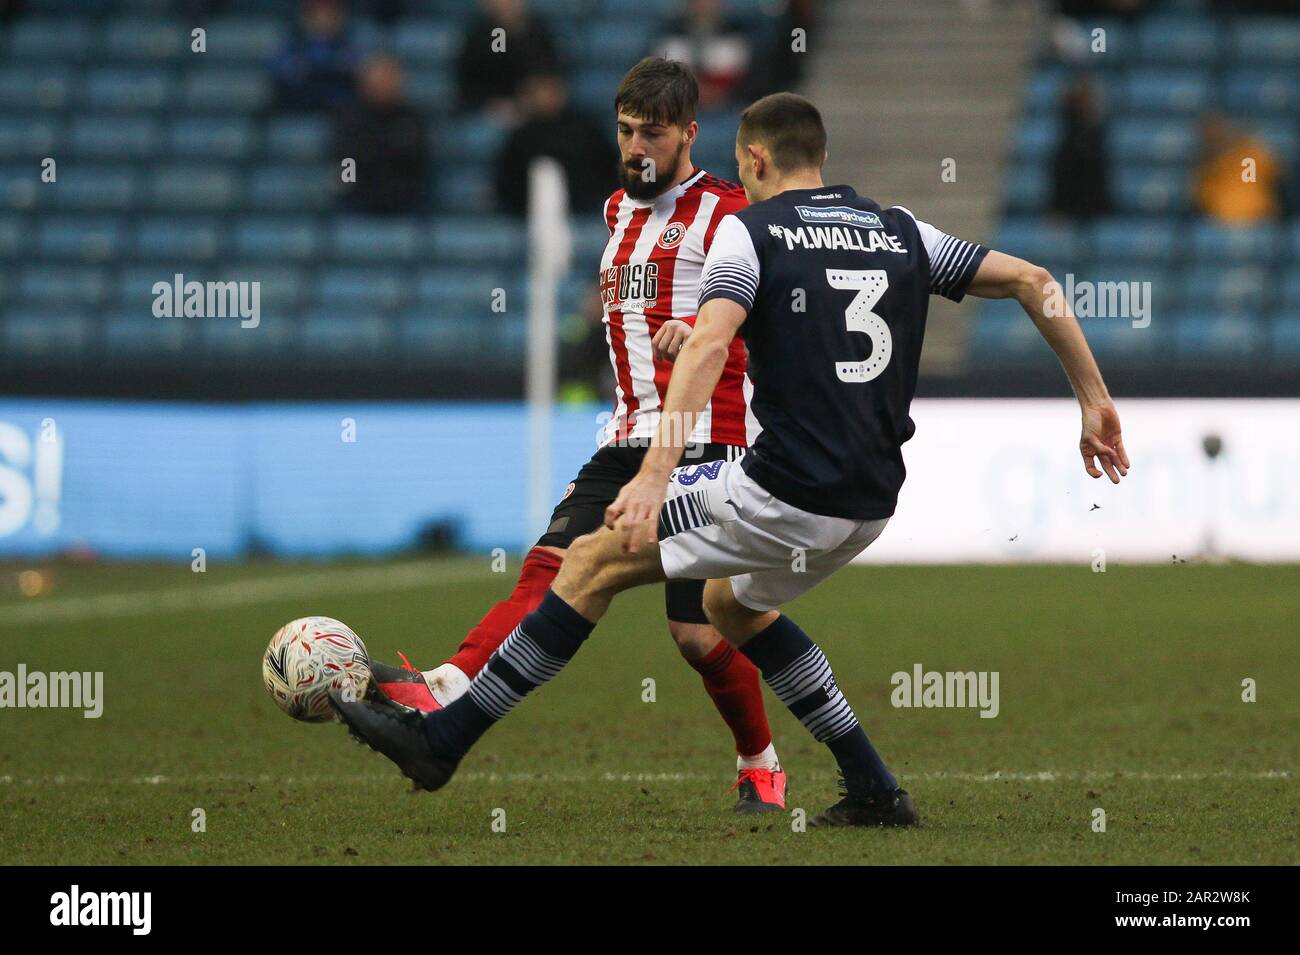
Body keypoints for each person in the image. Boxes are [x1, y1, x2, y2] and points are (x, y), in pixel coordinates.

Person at [338, 92, 1129, 826]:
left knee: (589, 563)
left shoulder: (749, 232)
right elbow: (1033, 279)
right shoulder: (900, 229)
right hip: (870, 502)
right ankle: (874, 787)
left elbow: (714, 341)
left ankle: (443, 744)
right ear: (818, 154)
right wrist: (1093, 401)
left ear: (752, 160)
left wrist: (655, 475)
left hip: (781, 489)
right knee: (728, 607)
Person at [365, 58, 788, 813]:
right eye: (626, 131)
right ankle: (444, 685)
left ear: (689, 133)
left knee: (696, 635)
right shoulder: (615, 213)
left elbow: (773, 307)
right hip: (626, 440)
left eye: (652, 135)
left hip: (707, 443)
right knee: (547, 570)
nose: (636, 148)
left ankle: (760, 759)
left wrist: (699, 329)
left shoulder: (729, 212)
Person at [492, 72, 618, 217]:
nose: (546, 96)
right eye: (540, 90)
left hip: (586, 210)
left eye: (551, 89)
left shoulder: (586, 129)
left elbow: (609, 169)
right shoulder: (522, 136)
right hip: (529, 216)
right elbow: (506, 183)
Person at [335, 56, 430, 215]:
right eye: (378, 79)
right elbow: (345, 159)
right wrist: (350, 190)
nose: (384, 84)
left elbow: (419, 159)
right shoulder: (350, 121)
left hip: (405, 202)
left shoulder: (411, 119)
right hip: (360, 201)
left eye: (389, 78)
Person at [456, 0, 563, 121]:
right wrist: (494, 104)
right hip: (490, 110)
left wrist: (541, 92)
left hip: (535, 107)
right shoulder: (480, 36)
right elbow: (471, 82)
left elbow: (551, 71)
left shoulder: (538, 31)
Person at [1193, 111, 1284, 226]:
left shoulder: (1253, 154)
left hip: (1259, 219)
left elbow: (1278, 175)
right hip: (1220, 224)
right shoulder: (1206, 164)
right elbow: (1200, 198)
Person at [269, 0, 360, 113]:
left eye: (330, 14)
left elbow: (359, 70)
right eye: (316, 13)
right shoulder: (291, 45)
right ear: (305, 17)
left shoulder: (351, 45)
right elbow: (278, 69)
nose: (323, 19)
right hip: (297, 109)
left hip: (339, 113)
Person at [1049, 78, 1111, 222]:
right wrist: (1057, 207)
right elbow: (1062, 173)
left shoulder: (1096, 134)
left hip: (1094, 206)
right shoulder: (1071, 137)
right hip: (1074, 207)